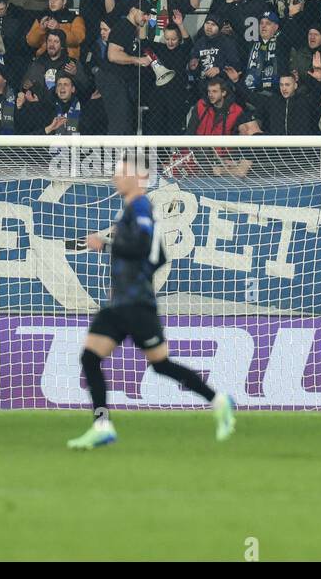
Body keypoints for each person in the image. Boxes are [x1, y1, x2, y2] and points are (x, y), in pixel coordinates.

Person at [67, 156, 236, 449]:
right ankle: (102, 425)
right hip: (121, 304)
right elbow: (157, 257)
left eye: (121, 173)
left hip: (136, 305)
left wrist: (105, 243)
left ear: (138, 178)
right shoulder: (131, 210)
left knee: (160, 365)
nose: (115, 178)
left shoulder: (141, 207)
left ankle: (218, 401)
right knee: (90, 357)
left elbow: (144, 246)